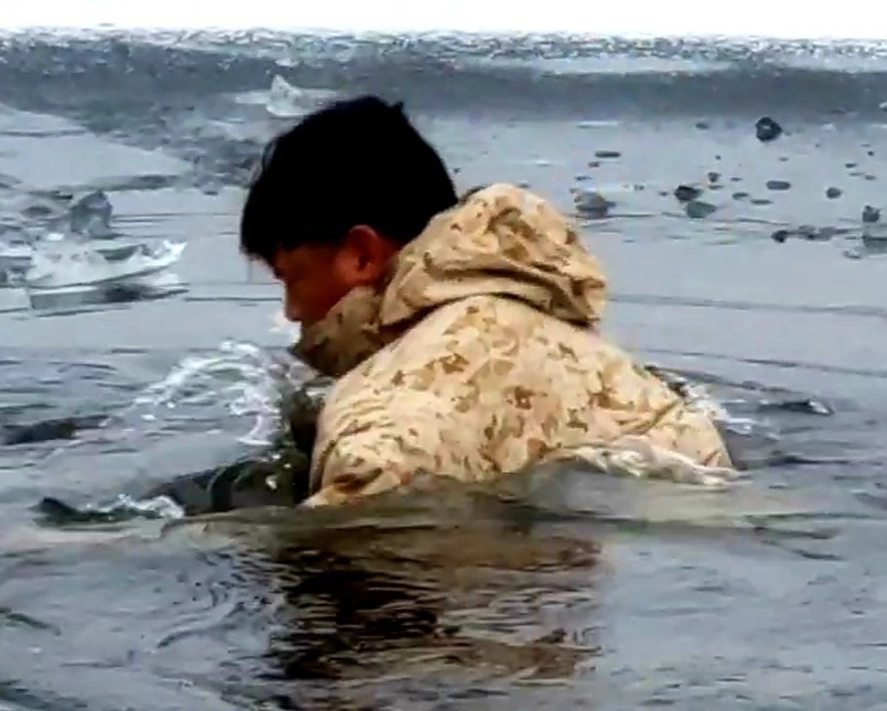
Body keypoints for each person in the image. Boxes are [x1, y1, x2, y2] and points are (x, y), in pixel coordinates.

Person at [240, 96, 732, 508]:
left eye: (292, 278)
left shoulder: (382, 414)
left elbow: (365, 538)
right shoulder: (609, 367)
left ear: (363, 254)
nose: (292, 312)